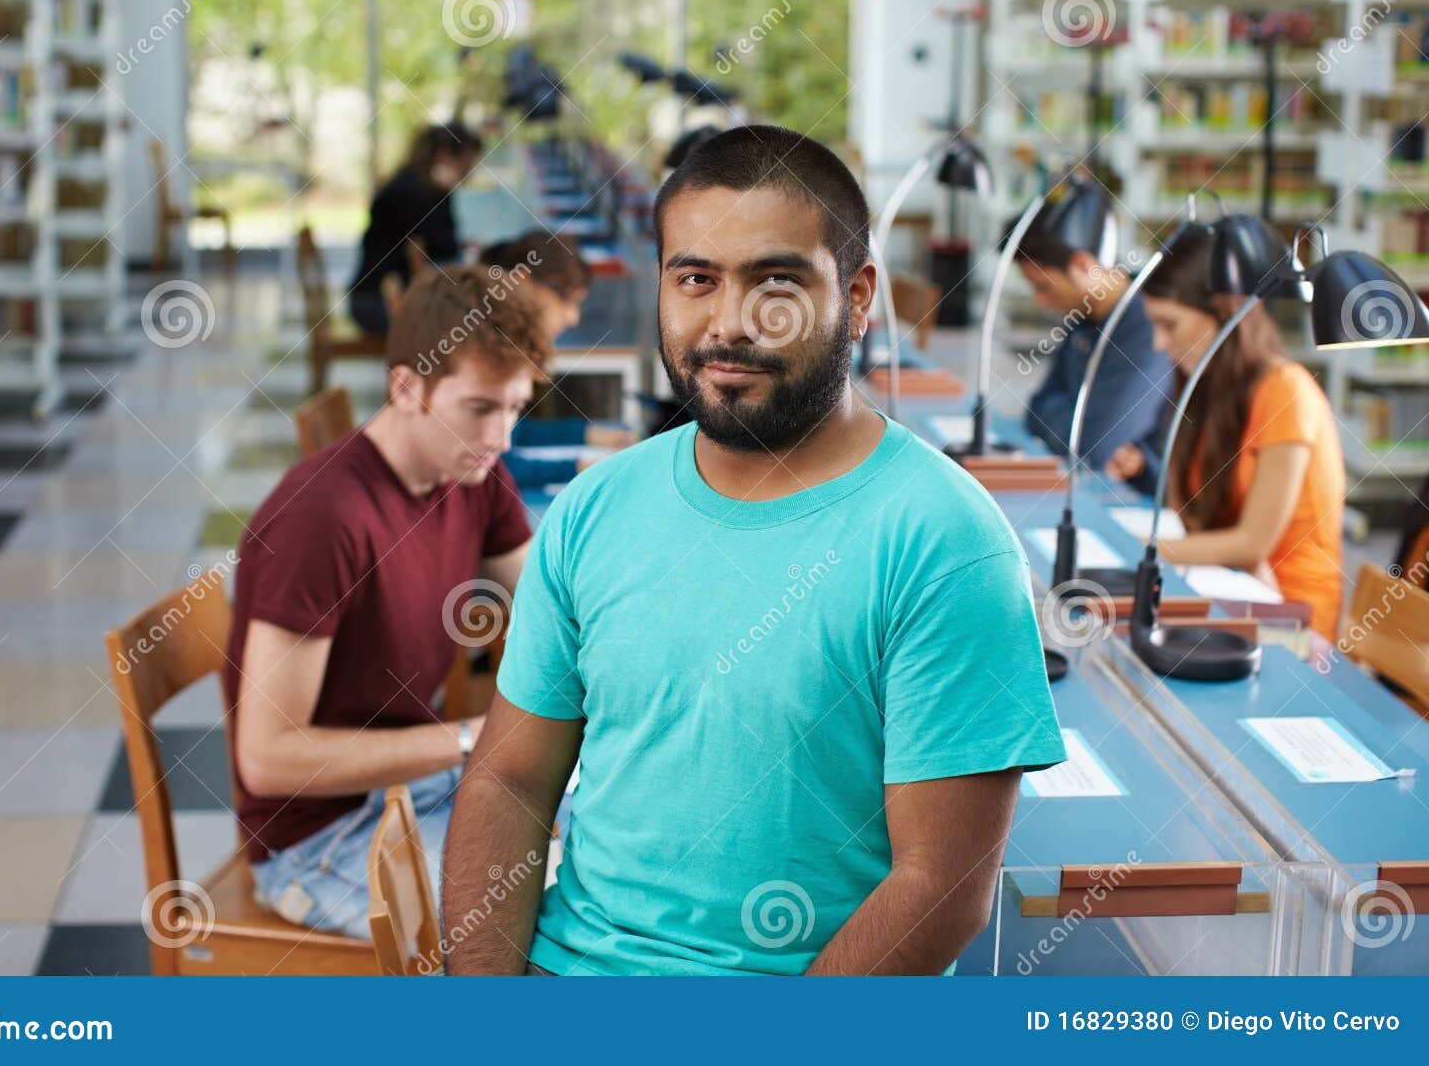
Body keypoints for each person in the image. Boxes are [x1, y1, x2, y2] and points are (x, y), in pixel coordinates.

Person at [442, 124, 1066, 976]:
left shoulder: (947, 541)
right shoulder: (594, 510)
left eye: (776, 282)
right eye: (695, 279)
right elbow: (508, 780)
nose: (729, 323)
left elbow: (943, 884)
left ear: (856, 297)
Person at [226, 265, 551, 937]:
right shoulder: (320, 519)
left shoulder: (470, 473)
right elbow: (264, 759)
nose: (502, 436)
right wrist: (470, 739)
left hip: (413, 789)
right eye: (481, 408)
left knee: (618, 851)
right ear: (407, 387)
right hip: (315, 840)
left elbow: (551, 607)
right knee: (523, 922)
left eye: (516, 407)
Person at [1104, 228, 1346, 640]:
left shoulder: (1287, 391)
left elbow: (1251, 543)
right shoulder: (1205, 389)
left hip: (1289, 615)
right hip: (1225, 587)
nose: (1160, 344)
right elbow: (1189, 514)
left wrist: (1140, 546)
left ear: (1224, 315)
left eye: (1170, 325)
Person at [1010, 180, 1173, 473]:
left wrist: (1067, 418)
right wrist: (1069, 418)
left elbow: (1091, 445)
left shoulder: (1147, 325)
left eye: (1044, 287)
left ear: (1084, 265)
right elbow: (1035, 410)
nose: (1040, 301)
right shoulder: (1086, 317)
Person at [478, 231, 637, 488]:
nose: (573, 318)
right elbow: (494, 467)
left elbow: (517, 435)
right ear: (522, 282)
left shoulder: (500, 343)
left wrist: (589, 434)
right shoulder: (483, 355)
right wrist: (582, 468)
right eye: (567, 301)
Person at [347, 122, 484, 334]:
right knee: (474, 322)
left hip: (373, 298)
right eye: (466, 164)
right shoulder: (417, 193)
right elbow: (427, 254)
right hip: (377, 304)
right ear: (444, 155)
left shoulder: (417, 184)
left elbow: (434, 245)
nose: (469, 173)